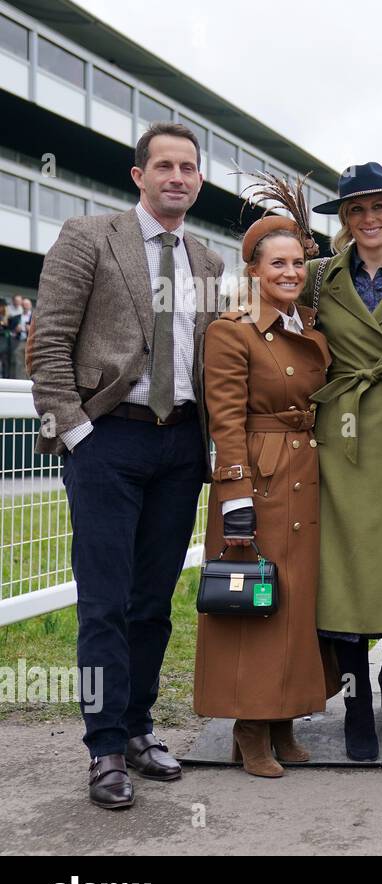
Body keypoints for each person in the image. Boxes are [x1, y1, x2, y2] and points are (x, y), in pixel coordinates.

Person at [29, 122, 223, 809]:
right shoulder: (89, 237)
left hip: (178, 447)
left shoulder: (206, 260)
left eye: (189, 167)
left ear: (199, 180)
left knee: (153, 603)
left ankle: (139, 730)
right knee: (105, 602)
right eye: (164, 165)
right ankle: (104, 746)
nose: (178, 176)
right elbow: (46, 342)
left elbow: (208, 359)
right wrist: (76, 433)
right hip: (106, 439)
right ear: (138, 175)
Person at [196, 183, 332, 777]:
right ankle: (248, 727)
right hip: (258, 476)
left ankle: (282, 718)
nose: (290, 272)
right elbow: (225, 419)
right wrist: (234, 497)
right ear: (251, 269)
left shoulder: (304, 324)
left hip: (304, 470)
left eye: (298, 263)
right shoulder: (233, 329)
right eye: (277, 263)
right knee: (253, 599)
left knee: (294, 599)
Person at [306, 163, 382, 760]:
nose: (370, 219)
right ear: (345, 222)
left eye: (379, 207)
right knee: (348, 563)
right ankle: (356, 703)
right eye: (357, 210)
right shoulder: (317, 280)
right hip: (345, 427)